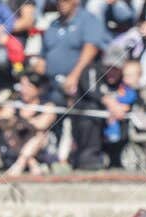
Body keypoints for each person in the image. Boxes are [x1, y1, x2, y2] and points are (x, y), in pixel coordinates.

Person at [37, 0, 110, 168]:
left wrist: (74, 76)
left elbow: (90, 49)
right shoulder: (52, 25)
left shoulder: (88, 20)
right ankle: (46, 156)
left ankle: (76, 157)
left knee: (77, 117)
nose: (61, 3)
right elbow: (43, 54)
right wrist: (39, 64)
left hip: (80, 86)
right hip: (51, 85)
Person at [0, 69, 58, 173]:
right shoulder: (14, 104)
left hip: (41, 150)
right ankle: (31, 162)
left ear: (39, 88)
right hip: (16, 147)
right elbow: (1, 121)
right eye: (22, 85)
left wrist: (19, 121)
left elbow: (41, 125)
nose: (24, 90)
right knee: (9, 132)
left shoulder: (47, 105)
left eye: (28, 86)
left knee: (39, 135)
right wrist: (12, 122)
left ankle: (20, 163)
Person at [102, 57, 141, 162]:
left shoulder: (136, 91)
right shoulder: (122, 88)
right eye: (125, 75)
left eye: (130, 76)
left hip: (126, 124)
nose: (126, 78)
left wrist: (125, 107)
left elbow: (130, 103)